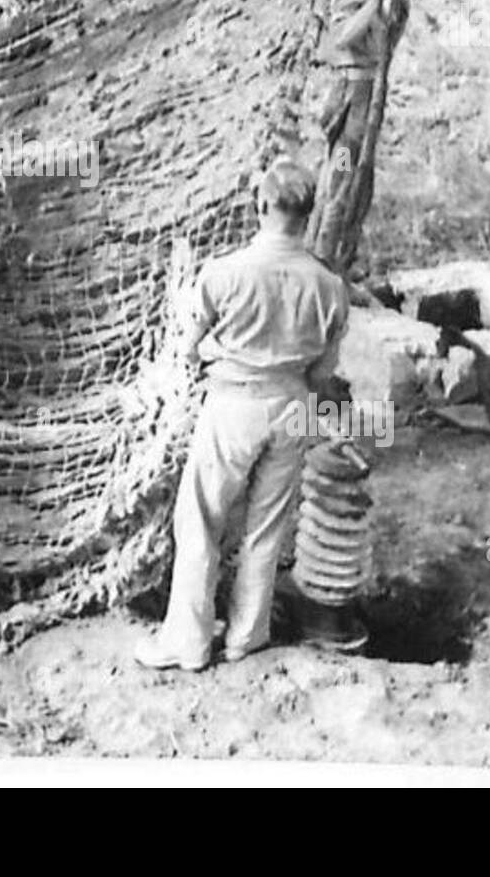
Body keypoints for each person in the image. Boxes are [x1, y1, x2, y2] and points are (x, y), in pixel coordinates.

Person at [135, 157, 348, 671]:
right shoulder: (328, 285)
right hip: (293, 405)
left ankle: (188, 641)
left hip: (234, 403)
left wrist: (210, 354)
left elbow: (186, 350)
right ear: (308, 214)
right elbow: (324, 372)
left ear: (260, 207)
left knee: (202, 520)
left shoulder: (223, 274)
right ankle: (247, 636)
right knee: (267, 525)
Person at [309, 0, 407, 271]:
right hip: (350, 101)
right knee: (340, 178)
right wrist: (375, 1)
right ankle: (320, 258)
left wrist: (389, 0)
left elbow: (391, 35)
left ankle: (340, 259)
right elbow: (344, 37)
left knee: (359, 188)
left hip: (370, 102)